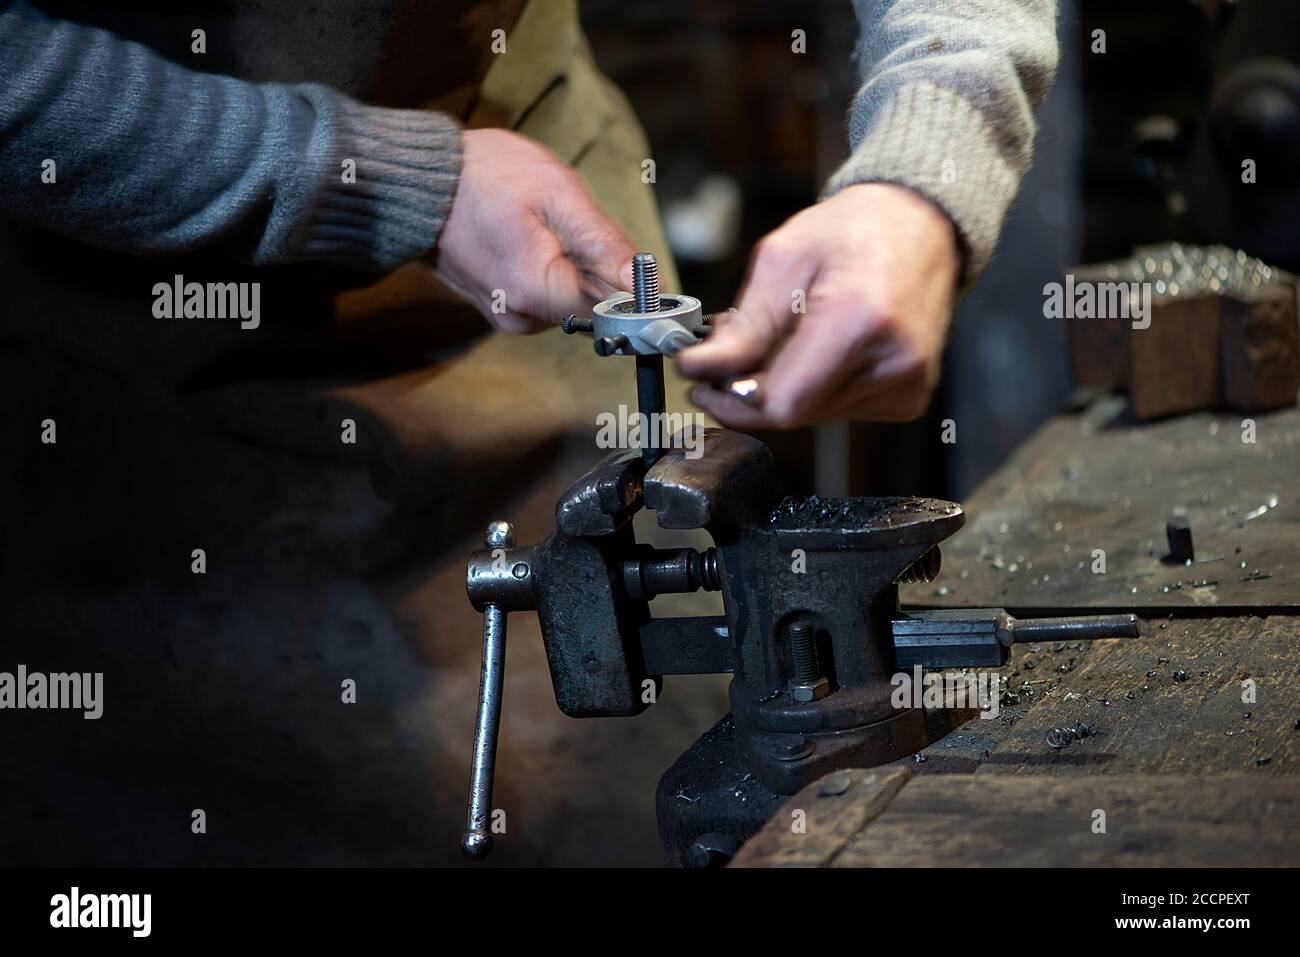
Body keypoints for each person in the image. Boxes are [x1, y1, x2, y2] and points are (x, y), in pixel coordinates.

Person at [0, 0, 1057, 865]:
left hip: (536, 222)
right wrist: (390, 181)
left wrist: (923, 169)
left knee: (669, 793)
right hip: (117, 341)